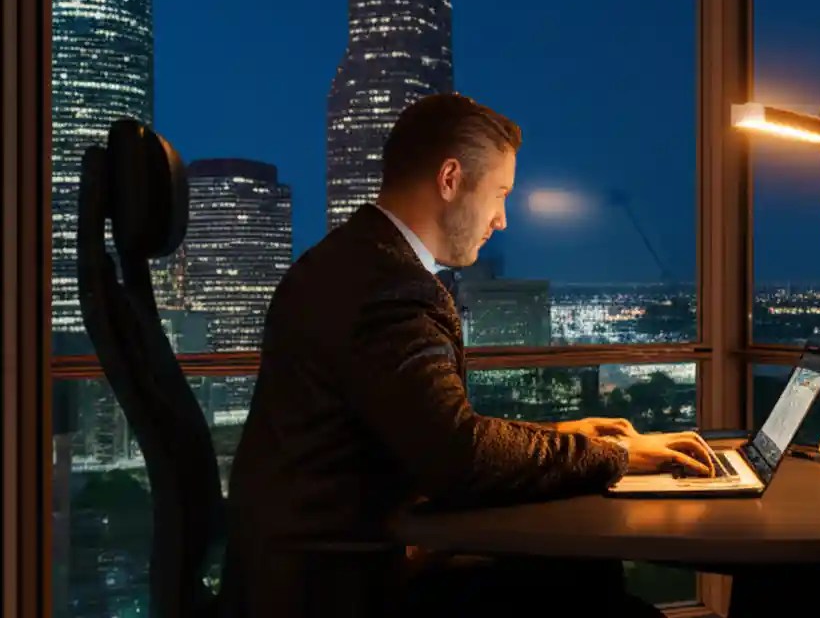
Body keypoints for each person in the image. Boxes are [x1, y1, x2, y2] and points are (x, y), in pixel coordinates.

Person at [218, 93, 716, 618]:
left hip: (308, 569)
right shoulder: (390, 288)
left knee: (580, 573)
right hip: (344, 588)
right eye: (500, 193)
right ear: (451, 179)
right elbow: (455, 455)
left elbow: (427, 428)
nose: (502, 219)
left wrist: (562, 437)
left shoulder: (349, 261)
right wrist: (615, 457)